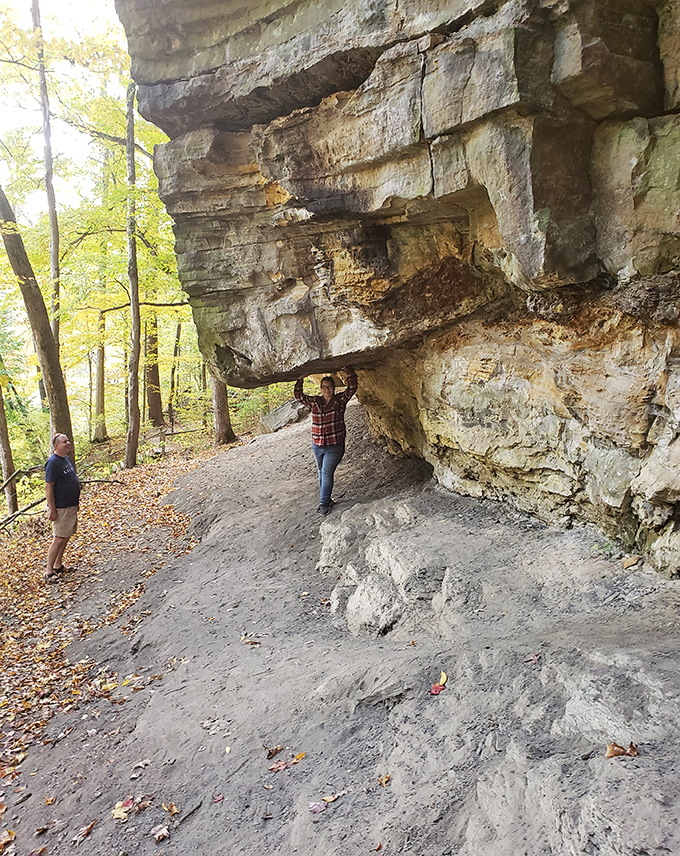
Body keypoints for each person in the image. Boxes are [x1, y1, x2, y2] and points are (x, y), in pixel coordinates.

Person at [294, 366, 358, 515]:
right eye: (324, 387)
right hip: (317, 445)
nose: (327, 389)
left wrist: (348, 369)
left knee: (326, 473)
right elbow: (299, 396)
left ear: (333, 388)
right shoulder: (315, 402)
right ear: (321, 388)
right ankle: (327, 499)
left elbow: (352, 387)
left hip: (334, 446)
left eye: (329, 387)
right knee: (321, 472)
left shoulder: (339, 401)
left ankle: (323, 504)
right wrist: (300, 378)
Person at [44, 433, 80, 581]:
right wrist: (52, 509)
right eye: (65, 442)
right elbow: (48, 487)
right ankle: (49, 572)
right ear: (57, 445)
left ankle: (58, 565)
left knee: (65, 537)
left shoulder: (66, 459)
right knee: (58, 538)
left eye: (68, 441)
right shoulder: (53, 463)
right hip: (60, 508)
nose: (68, 443)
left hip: (70, 505)